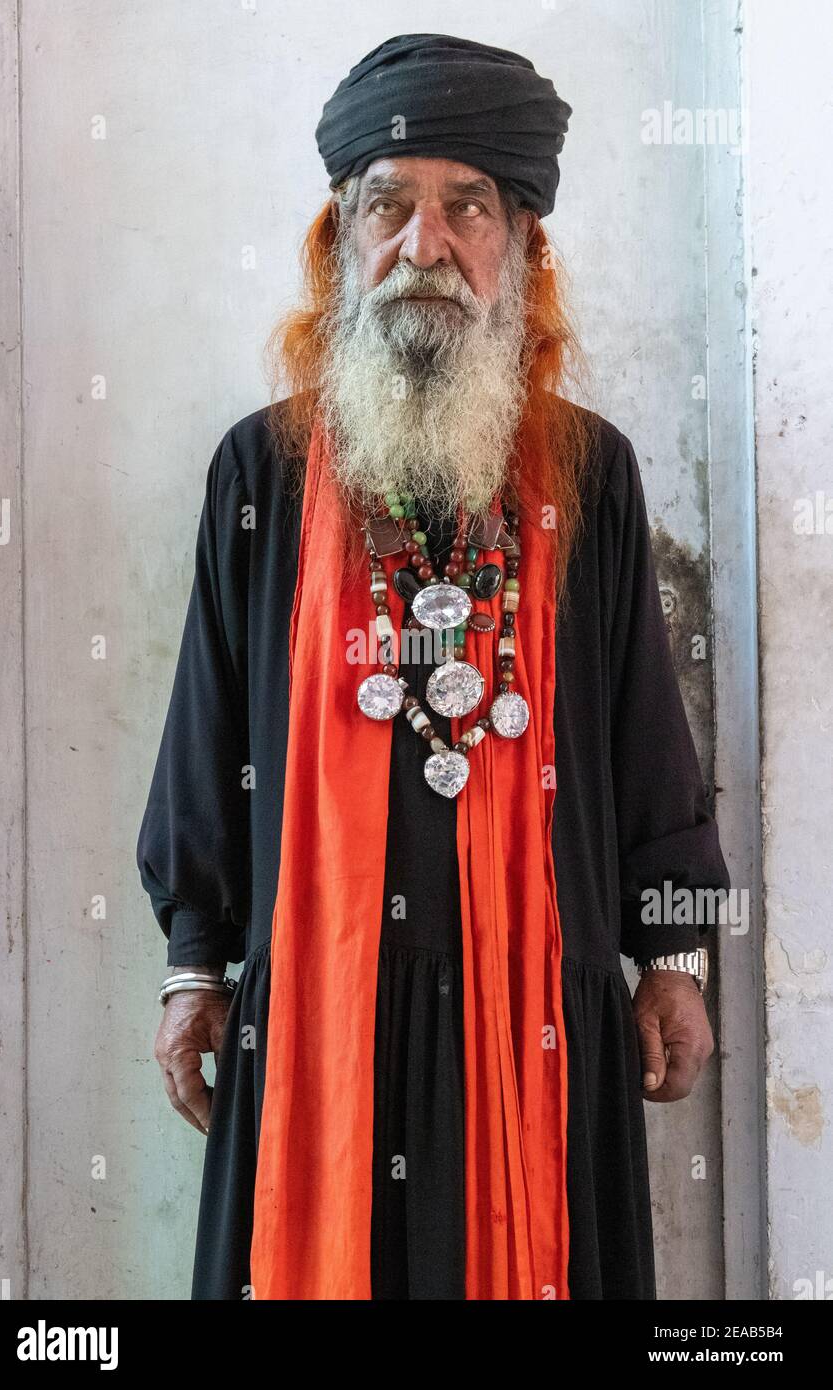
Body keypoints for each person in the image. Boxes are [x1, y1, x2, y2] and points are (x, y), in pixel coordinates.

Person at [136, 33, 730, 1301]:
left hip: (540, 1020)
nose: (424, 245)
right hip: (313, 1018)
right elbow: (206, 742)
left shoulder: (590, 472)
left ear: (521, 247)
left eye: (466, 207)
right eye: (387, 207)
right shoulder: (261, 474)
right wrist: (197, 969)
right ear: (337, 242)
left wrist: (671, 954)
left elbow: (642, 742)